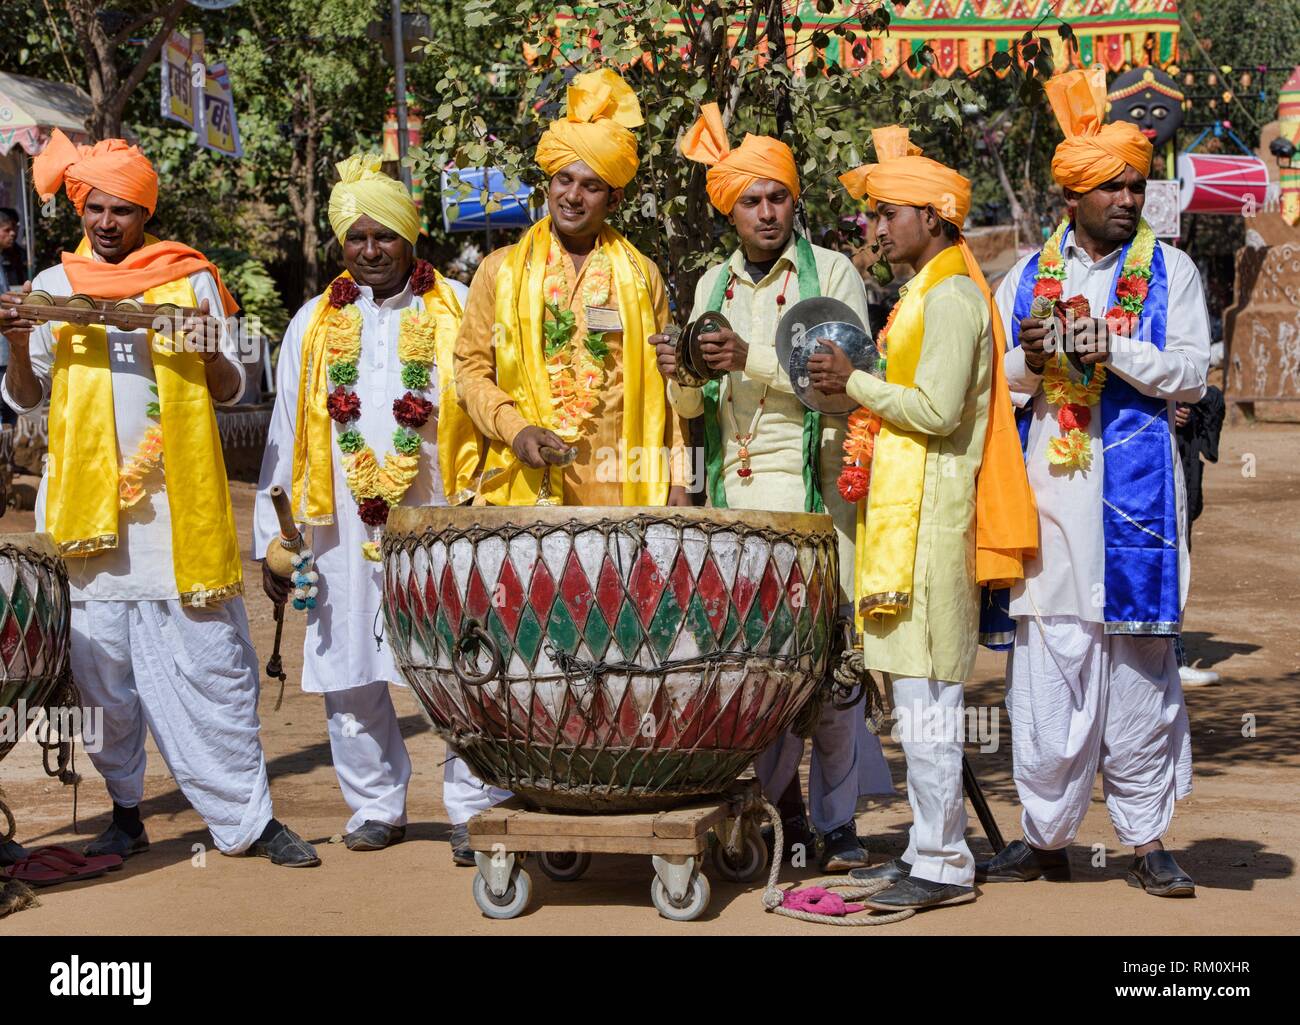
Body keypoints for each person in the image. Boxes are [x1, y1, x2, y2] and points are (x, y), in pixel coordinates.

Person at [0, 130, 317, 866]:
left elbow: (235, 388)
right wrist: (16, 342)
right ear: (81, 207)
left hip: (180, 517)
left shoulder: (189, 281)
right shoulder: (52, 288)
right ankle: (125, 811)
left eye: (123, 211)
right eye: (96, 209)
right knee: (102, 675)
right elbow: (23, 400)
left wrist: (208, 349)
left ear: (146, 212)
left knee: (212, 667)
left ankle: (248, 819)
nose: (107, 223)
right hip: (85, 521)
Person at [978, 68, 1209, 897]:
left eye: (1135, 185)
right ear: (1070, 195)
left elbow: (1190, 373)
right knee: (1047, 684)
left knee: (1141, 680)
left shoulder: (1171, 274)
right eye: (1108, 186)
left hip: (1138, 512)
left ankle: (1147, 843)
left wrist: (1115, 346)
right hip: (1047, 511)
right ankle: (1044, 840)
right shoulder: (1024, 276)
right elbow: (992, 384)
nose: (1125, 198)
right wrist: (1034, 359)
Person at [807, 126, 1037, 911]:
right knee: (915, 699)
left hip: (932, 529)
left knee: (932, 703)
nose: (875, 228)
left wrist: (858, 382)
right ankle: (925, 849)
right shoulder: (927, 292)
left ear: (933, 219)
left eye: (887, 214)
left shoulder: (953, 297)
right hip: (906, 527)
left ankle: (943, 864)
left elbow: (937, 410)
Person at [657, 102, 891, 872]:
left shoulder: (837, 274)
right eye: (750, 199)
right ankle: (773, 812)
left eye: (777, 197)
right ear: (730, 208)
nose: (765, 210)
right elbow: (698, 410)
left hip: (820, 508)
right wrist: (681, 375)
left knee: (831, 678)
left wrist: (749, 355)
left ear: (795, 202)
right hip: (739, 511)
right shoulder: (710, 282)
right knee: (754, 677)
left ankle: (840, 824)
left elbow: (845, 388)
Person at [256, 155, 506, 860]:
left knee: (456, 663)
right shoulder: (311, 322)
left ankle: (472, 805)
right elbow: (282, 432)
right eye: (357, 237)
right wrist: (271, 543)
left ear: (411, 237)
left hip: (437, 517)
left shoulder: (458, 306)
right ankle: (374, 803)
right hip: (337, 518)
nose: (370, 250)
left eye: (385, 236)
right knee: (349, 666)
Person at [454, 68, 690, 509]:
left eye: (591, 185)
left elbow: (669, 379)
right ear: (548, 183)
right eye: (564, 179)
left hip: (624, 489)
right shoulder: (498, 270)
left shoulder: (642, 275)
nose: (573, 196)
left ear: (614, 199)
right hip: (525, 490)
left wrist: (680, 479)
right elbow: (470, 371)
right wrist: (514, 428)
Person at [1174, 386, 1225, 687]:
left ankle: (1173, 657)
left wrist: (1186, 409)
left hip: (1176, 460)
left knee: (1175, 558)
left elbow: (1206, 394)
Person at [0, 209, 21, 425]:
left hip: (6, 351)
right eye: (7, 230)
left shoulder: (6, 261)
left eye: (14, 229)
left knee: (9, 407)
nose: (13, 234)